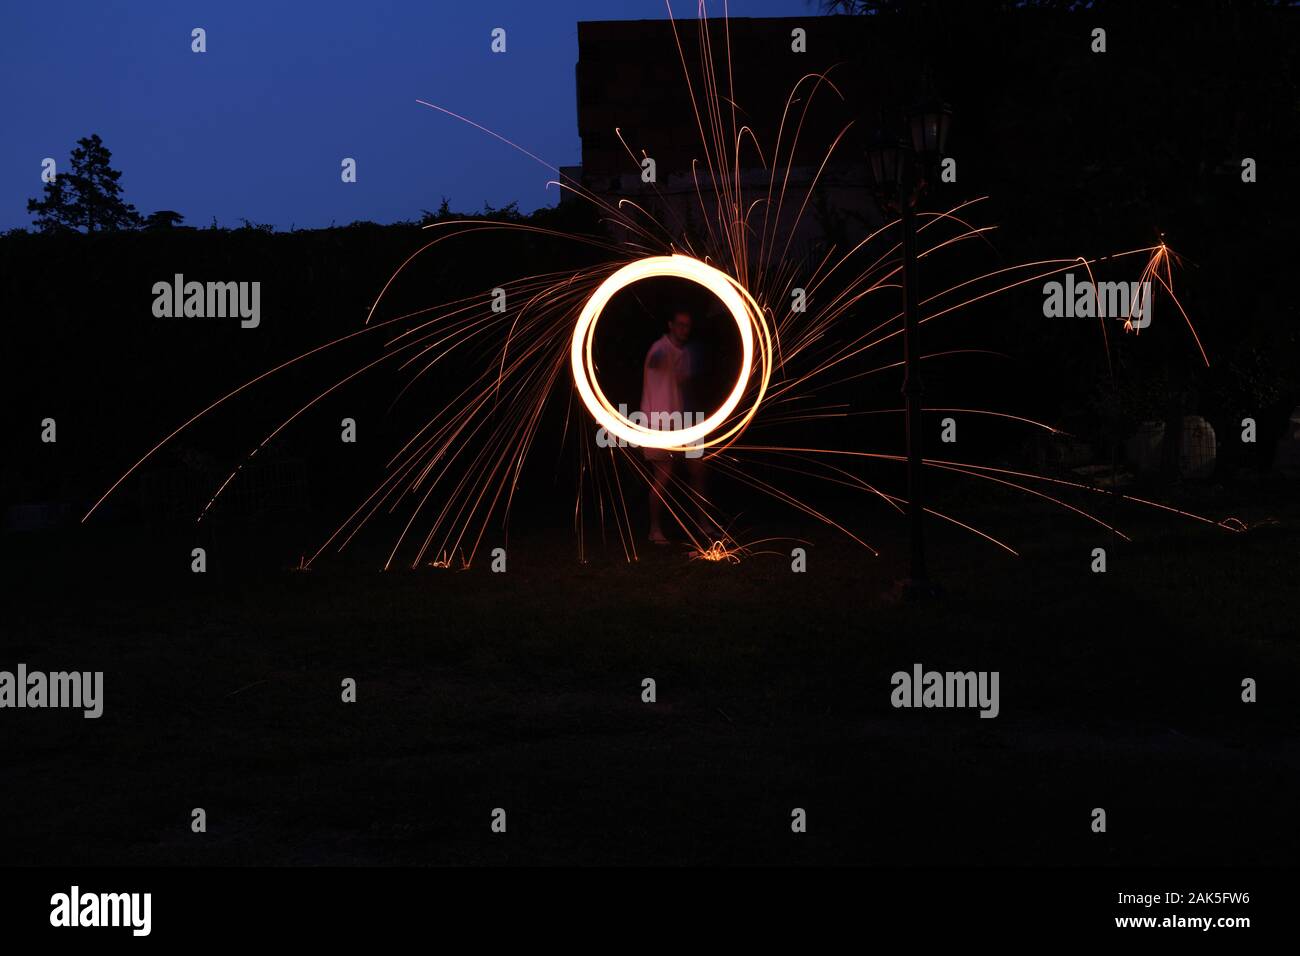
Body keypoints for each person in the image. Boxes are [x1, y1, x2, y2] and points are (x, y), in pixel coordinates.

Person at [641, 309, 708, 543]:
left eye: (687, 325)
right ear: (670, 325)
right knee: (663, 475)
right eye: (679, 324)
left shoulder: (684, 353)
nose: (683, 329)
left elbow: (684, 385)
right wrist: (660, 360)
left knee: (698, 468)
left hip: (682, 422)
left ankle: (704, 526)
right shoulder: (660, 349)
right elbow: (654, 362)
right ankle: (654, 530)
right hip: (657, 423)